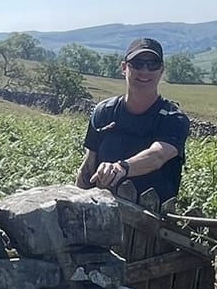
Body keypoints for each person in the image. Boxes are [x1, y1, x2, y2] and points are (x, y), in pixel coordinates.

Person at [77, 38, 191, 203]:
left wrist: (121, 168)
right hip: (101, 217)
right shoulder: (104, 112)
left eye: (153, 64)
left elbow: (158, 156)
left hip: (152, 222)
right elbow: (87, 168)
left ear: (161, 70)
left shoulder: (173, 119)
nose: (145, 70)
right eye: (137, 63)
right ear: (124, 67)